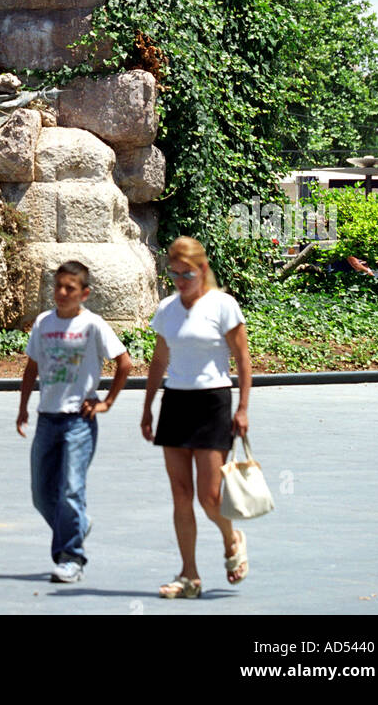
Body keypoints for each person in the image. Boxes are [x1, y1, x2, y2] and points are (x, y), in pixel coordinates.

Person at [141, 236, 252, 599]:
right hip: (175, 404)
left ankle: (231, 537)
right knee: (180, 495)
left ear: (202, 269)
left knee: (209, 496)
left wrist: (243, 407)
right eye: (174, 274)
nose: (180, 281)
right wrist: (147, 408)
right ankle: (189, 575)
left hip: (212, 403)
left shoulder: (224, 306)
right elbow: (159, 361)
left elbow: (242, 359)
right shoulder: (167, 309)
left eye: (186, 274)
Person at [17, 261, 132, 583]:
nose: (62, 293)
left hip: (79, 422)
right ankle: (78, 525)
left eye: (70, 288)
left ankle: (71, 558)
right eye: (58, 286)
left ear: (85, 293)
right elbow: (32, 368)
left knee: (71, 490)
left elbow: (124, 363)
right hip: (47, 419)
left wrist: (106, 402)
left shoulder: (93, 325)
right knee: (42, 494)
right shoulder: (43, 322)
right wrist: (23, 407)